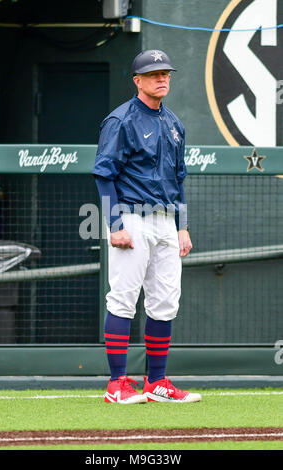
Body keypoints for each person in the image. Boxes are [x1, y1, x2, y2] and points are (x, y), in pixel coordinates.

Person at [93, 50, 202, 404]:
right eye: (153, 73)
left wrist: (182, 226)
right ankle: (117, 384)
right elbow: (104, 175)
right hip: (132, 217)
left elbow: (178, 178)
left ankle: (156, 383)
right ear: (137, 80)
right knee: (123, 299)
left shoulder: (173, 123)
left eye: (166, 73)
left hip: (167, 222)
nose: (162, 78)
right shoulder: (120, 120)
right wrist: (114, 224)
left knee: (166, 302)